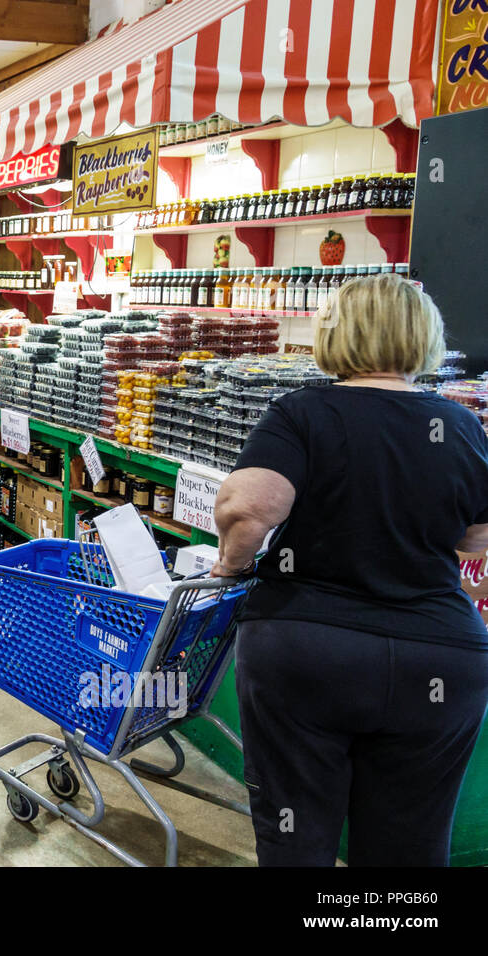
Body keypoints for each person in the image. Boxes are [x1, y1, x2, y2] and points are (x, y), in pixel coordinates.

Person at [213, 273, 488, 866]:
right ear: (424, 338)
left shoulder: (303, 412)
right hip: (437, 656)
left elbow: (247, 507)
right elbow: (477, 538)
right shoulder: (460, 424)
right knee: (410, 848)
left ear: (333, 334)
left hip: (307, 651)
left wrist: (230, 566)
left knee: (297, 834)